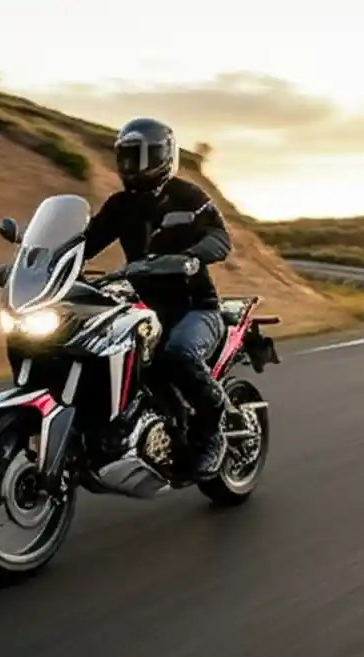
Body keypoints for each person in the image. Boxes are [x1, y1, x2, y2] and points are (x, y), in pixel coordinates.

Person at [80, 117, 234, 480]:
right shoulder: (120, 205)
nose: (131, 167)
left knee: (178, 355)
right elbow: (86, 243)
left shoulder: (189, 197)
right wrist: (46, 260)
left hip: (196, 308)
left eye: (139, 157)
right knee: (102, 348)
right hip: (146, 308)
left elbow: (220, 238)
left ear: (162, 156)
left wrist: (193, 257)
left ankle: (214, 432)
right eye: (126, 158)